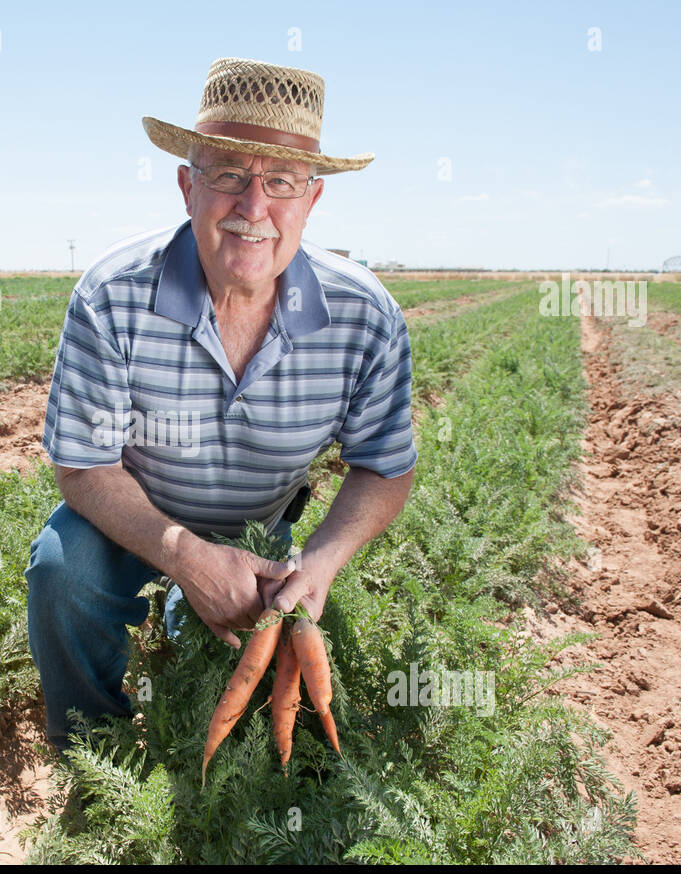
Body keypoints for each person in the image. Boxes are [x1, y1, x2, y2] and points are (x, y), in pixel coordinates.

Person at [26, 57, 417, 754]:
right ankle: (92, 755)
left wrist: (319, 562)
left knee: (262, 714)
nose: (254, 206)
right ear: (187, 185)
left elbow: (384, 466)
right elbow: (82, 467)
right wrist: (184, 556)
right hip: (133, 519)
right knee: (63, 570)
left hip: (260, 537)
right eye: (229, 175)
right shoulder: (112, 296)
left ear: (312, 199)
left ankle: (196, 670)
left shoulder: (365, 316)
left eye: (282, 181)